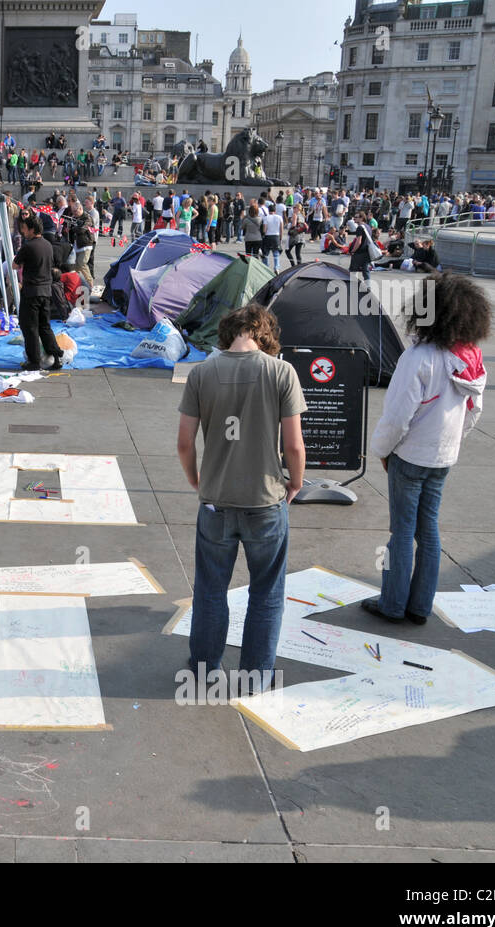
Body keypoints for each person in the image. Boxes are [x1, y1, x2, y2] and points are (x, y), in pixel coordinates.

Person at [177, 303, 306, 690]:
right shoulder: (281, 372)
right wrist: (295, 483)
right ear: (265, 336)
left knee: (211, 588)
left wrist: (197, 480)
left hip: (216, 500)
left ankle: (204, 665)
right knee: (266, 592)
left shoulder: (201, 374)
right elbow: (294, 446)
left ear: (227, 333)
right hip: (265, 500)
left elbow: (185, 443)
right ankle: (256, 674)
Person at [365, 273, 489, 623]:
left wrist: (383, 450)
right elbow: (473, 411)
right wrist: (451, 442)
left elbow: (397, 417)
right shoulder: (472, 358)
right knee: (429, 529)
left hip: (410, 455)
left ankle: (392, 604)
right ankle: (420, 606)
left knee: (401, 532)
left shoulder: (419, 357)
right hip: (444, 455)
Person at [14, 214, 65, 371]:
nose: (23, 232)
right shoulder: (47, 244)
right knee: (45, 325)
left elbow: (15, 265)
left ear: (31, 229)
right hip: (46, 290)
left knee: (29, 326)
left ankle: (34, 360)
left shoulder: (28, 246)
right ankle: (56, 356)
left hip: (31, 291)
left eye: (24, 229)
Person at [261, 202, 284, 272]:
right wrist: (280, 238)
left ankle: (266, 267)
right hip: (276, 236)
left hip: (268, 236)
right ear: (275, 211)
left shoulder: (266, 218)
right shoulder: (279, 217)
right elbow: (281, 229)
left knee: (266, 253)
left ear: (268, 210)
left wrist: (263, 234)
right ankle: (276, 267)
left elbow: (264, 229)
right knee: (276, 253)